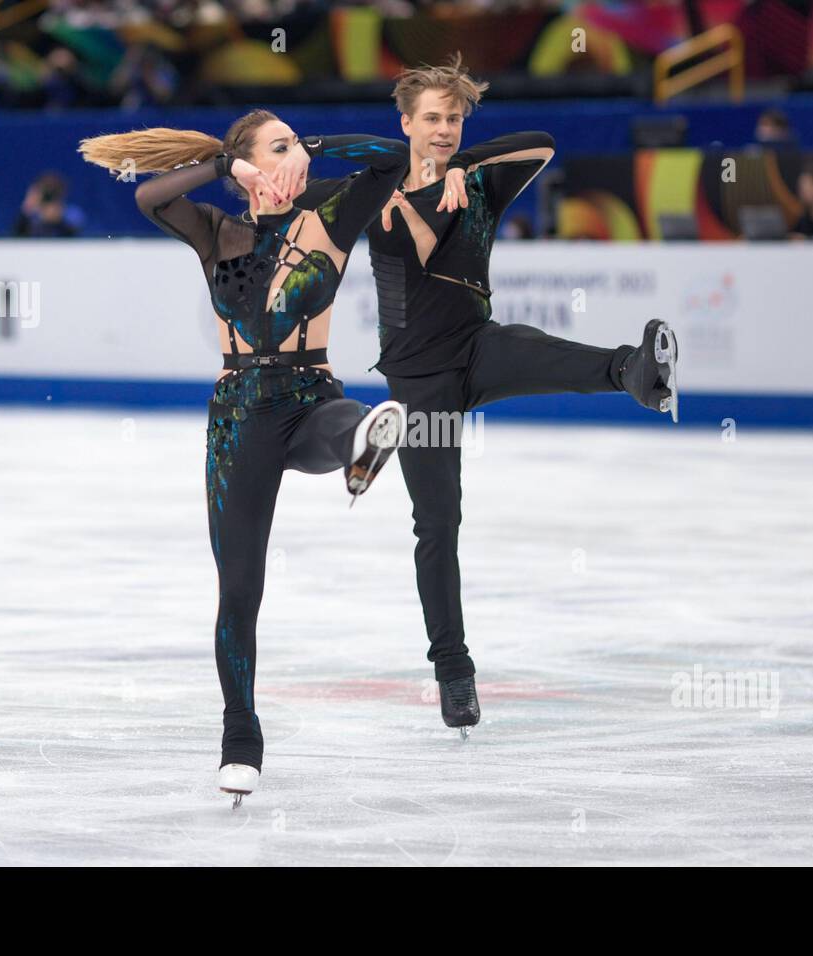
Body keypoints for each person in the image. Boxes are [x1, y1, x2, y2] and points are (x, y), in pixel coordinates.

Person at [291, 54, 678, 736]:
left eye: (454, 119)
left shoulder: (482, 184)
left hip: (478, 349)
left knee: (531, 346)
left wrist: (467, 165)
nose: (443, 130)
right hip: (420, 385)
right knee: (439, 524)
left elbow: (545, 144)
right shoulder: (369, 192)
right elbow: (296, 194)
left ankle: (635, 374)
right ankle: (452, 670)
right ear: (405, 122)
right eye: (431, 119)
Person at [79, 114, 409, 806]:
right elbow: (148, 199)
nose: (293, 157)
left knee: (343, 422)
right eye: (279, 146)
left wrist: (310, 151)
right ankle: (241, 741)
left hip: (311, 393)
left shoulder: (330, 214)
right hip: (239, 416)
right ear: (248, 164)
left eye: (297, 145)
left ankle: (362, 447)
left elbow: (393, 159)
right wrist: (229, 169)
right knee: (239, 588)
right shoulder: (215, 231)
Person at [14, 172, 85, 238]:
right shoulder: (32, 214)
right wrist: (27, 210)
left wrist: (58, 220)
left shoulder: (72, 214)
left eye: (54, 192)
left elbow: (76, 238)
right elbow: (15, 238)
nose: (50, 196)